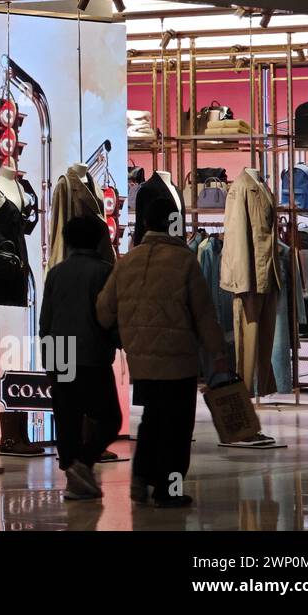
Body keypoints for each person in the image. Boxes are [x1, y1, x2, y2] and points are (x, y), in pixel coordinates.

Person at [97, 200, 227, 508]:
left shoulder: (127, 261)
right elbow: (204, 314)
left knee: (152, 420)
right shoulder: (185, 261)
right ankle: (169, 490)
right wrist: (218, 354)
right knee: (177, 429)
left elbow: (104, 311)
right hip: (178, 360)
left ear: (145, 224)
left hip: (141, 360)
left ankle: (141, 476)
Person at [39, 215, 120, 501]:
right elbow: (110, 316)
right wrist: (118, 342)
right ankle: (82, 465)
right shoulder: (105, 272)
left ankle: (73, 478)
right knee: (109, 418)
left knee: (67, 419)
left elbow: (46, 320)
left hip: (60, 352)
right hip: (91, 352)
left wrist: (48, 359)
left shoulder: (56, 273)